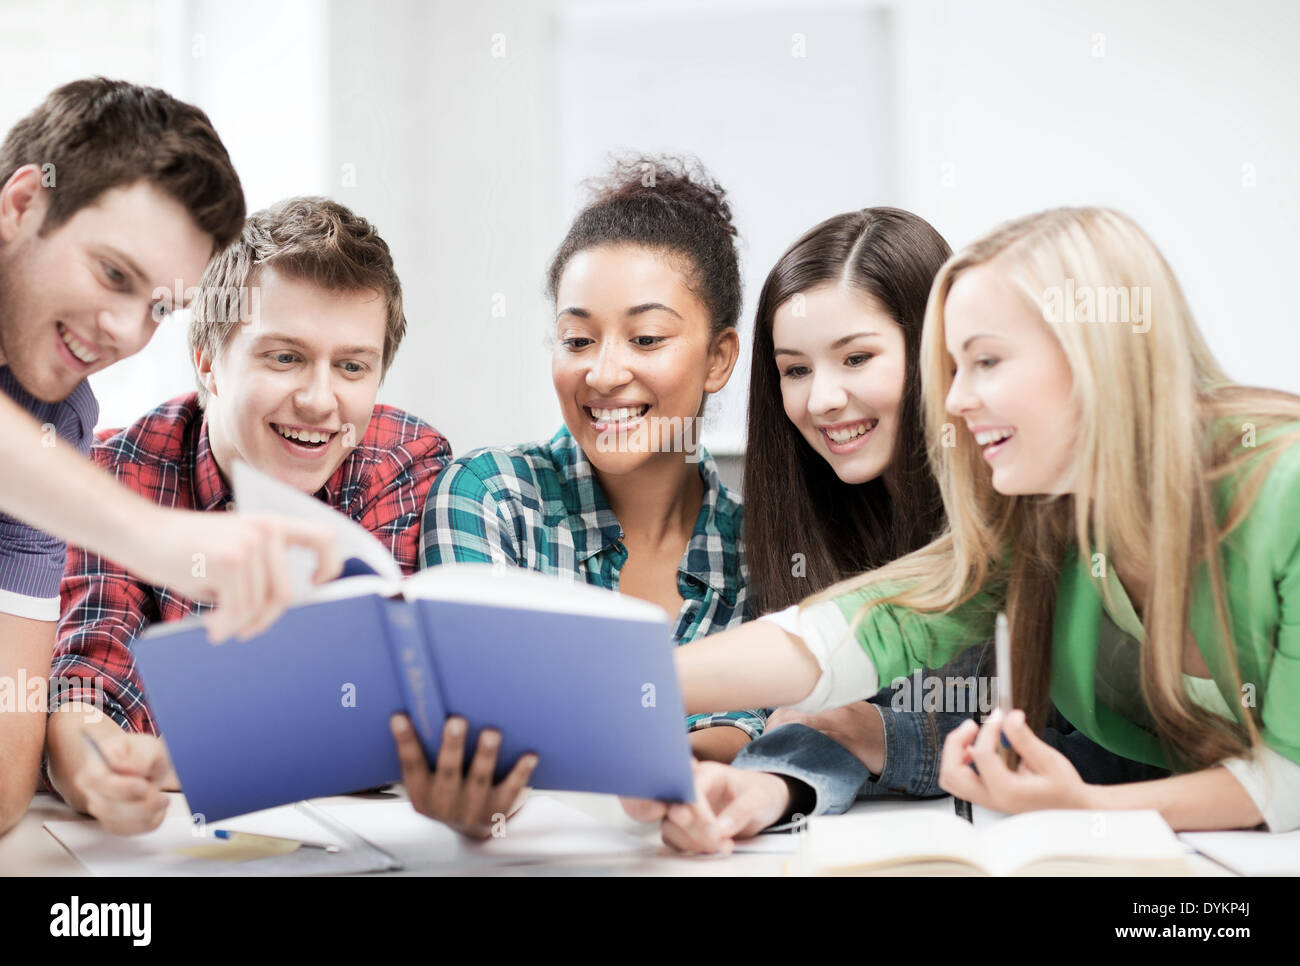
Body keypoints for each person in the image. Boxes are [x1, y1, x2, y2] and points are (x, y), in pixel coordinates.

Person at [671, 206, 1300, 837]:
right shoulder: (1049, 513)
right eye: (953, 365)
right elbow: (870, 627)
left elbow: (1288, 780)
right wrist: (639, 685)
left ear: (1094, 354)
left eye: (986, 362)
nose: (952, 398)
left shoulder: (1284, 490)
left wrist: (1080, 809)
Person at [41, 197, 452, 836]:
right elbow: (90, 684)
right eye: (284, 357)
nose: (319, 400)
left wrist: (185, 751)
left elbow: (381, 715)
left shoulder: (402, 459)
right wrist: (96, 767)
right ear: (208, 363)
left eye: (351, 366)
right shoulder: (118, 468)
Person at [0, 79, 338, 835]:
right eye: (114, 274)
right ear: (21, 204)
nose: (123, 330)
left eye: (159, 306)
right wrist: (158, 538)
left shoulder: (54, 421)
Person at [391, 155, 752, 837]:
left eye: (646, 338)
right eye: (576, 339)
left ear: (719, 357)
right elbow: (480, 726)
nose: (604, 372)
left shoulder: (758, 548)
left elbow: (745, 736)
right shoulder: (489, 495)